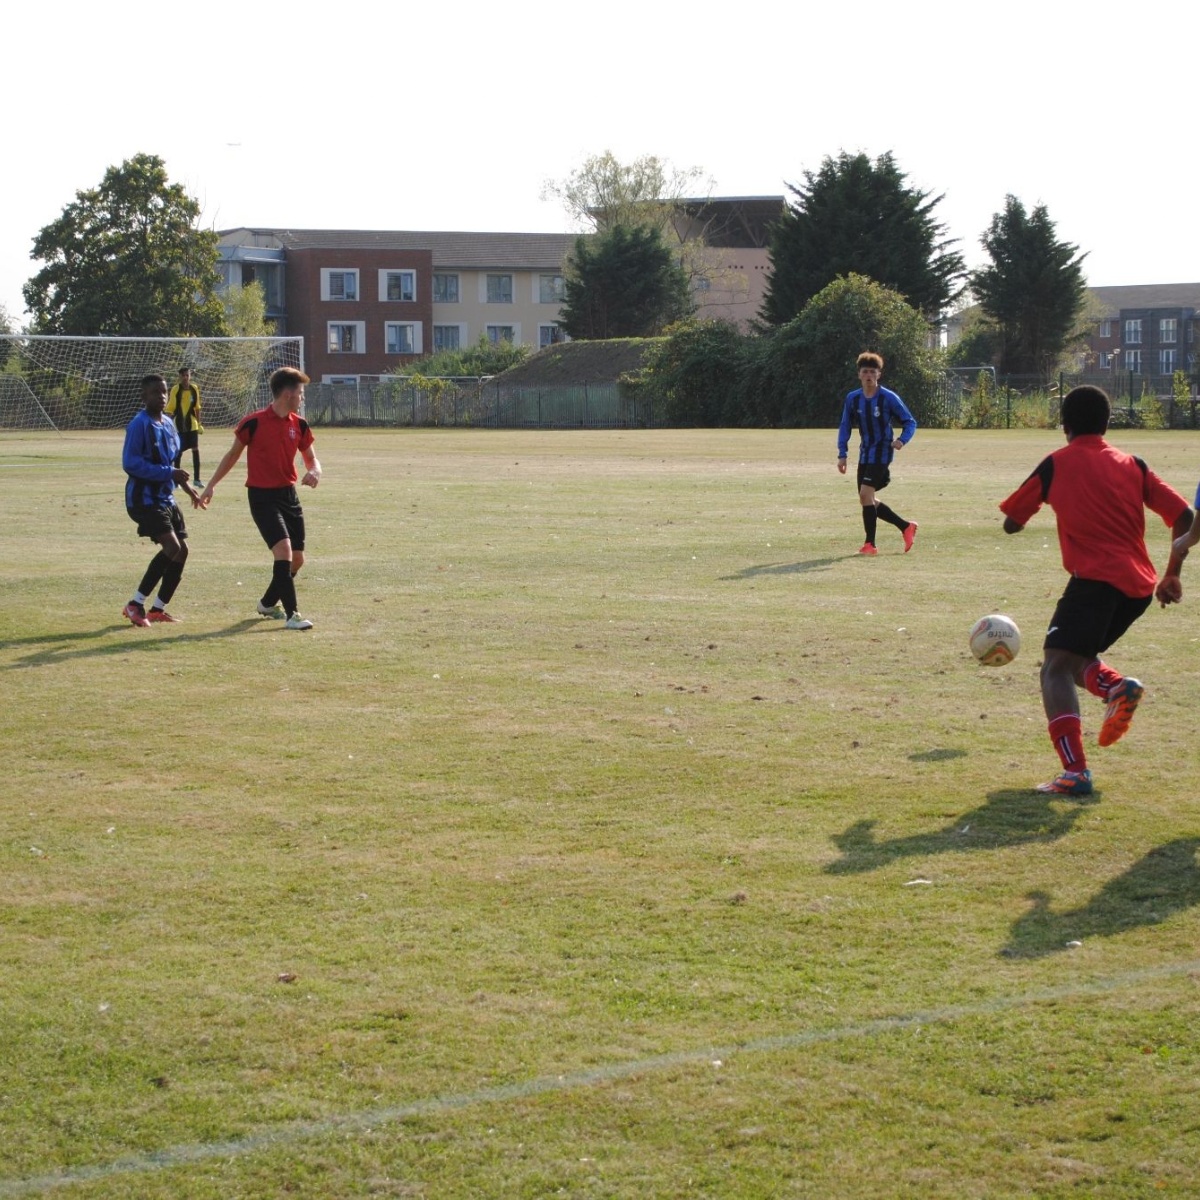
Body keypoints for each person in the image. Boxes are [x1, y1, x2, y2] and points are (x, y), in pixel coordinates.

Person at [999, 384, 1191, 796]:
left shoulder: (1056, 464)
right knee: (1076, 659)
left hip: (1094, 582)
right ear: (1106, 424)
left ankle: (1075, 771)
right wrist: (1172, 572)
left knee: (1054, 667)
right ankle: (1114, 688)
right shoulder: (1132, 464)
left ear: (1064, 427)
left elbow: (1012, 521)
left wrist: (1043, 505)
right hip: (1139, 588)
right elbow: (1185, 516)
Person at [199, 367, 321, 631]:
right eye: (300, 393)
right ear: (288, 394)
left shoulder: (299, 424)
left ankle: (267, 603)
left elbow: (311, 458)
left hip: (289, 495)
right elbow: (232, 455)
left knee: (297, 559)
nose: (302, 398)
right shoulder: (253, 422)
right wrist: (211, 485)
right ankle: (293, 616)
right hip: (261, 497)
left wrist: (314, 470)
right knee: (284, 552)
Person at [122, 374, 202, 626]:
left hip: (165, 498)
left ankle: (157, 609)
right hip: (143, 499)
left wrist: (189, 490)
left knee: (182, 552)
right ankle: (135, 604)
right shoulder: (139, 424)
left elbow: (170, 465)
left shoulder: (168, 424)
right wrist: (170, 473)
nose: (162, 397)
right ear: (143, 396)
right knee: (172, 548)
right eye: (156, 392)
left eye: (164, 392)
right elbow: (131, 463)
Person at [836, 351, 919, 555]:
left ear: (879, 374)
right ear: (859, 375)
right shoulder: (853, 399)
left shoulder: (888, 398)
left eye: (873, 372)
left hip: (882, 453)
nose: (869, 376)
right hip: (865, 453)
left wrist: (901, 440)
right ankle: (906, 526)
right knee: (867, 499)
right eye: (865, 372)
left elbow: (910, 421)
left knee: (866, 494)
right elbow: (845, 425)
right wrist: (842, 453)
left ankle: (870, 545)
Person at [166, 366, 204, 486]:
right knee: (178, 452)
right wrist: (167, 423)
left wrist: (199, 423)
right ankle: (176, 480)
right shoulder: (176, 389)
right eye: (183, 375)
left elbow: (197, 407)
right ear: (180, 376)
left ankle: (197, 479)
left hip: (192, 424)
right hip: (179, 424)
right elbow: (171, 408)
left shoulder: (194, 388)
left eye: (187, 375)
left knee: (195, 450)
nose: (185, 378)